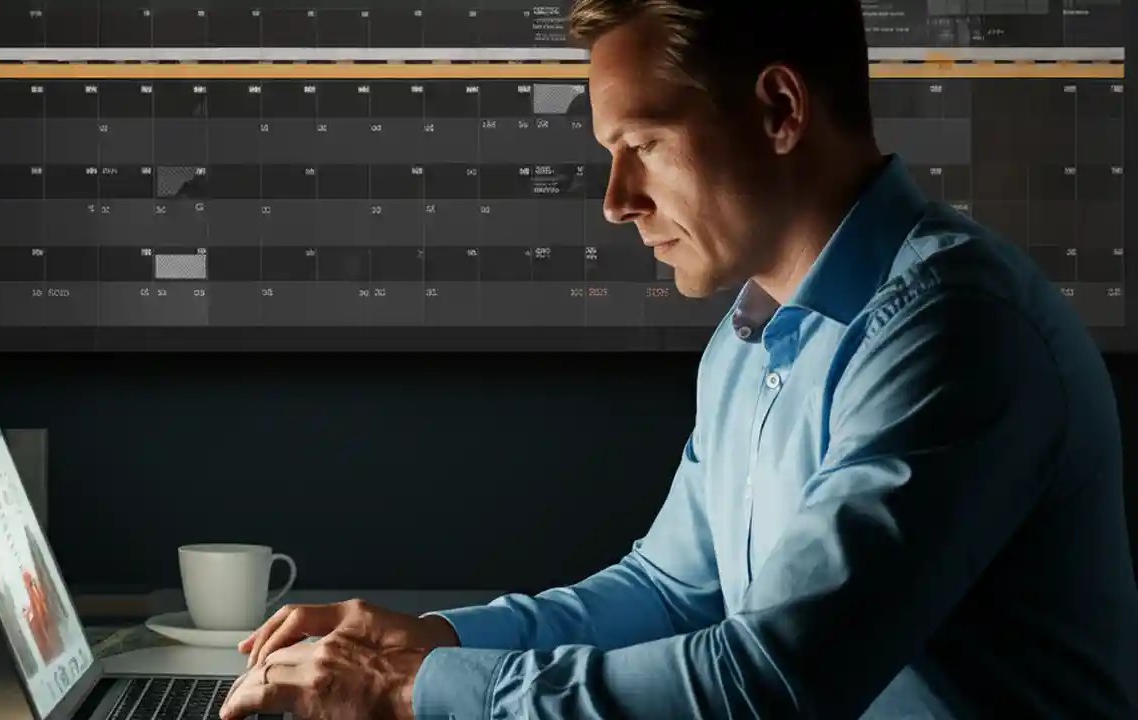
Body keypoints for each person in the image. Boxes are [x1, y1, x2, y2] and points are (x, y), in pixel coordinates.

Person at [220, 1, 1138, 718]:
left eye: (644, 145)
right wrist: (423, 640)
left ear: (779, 109)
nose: (617, 199)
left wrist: (405, 692)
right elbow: (671, 590)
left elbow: (769, 684)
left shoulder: (951, 331)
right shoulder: (753, 336)